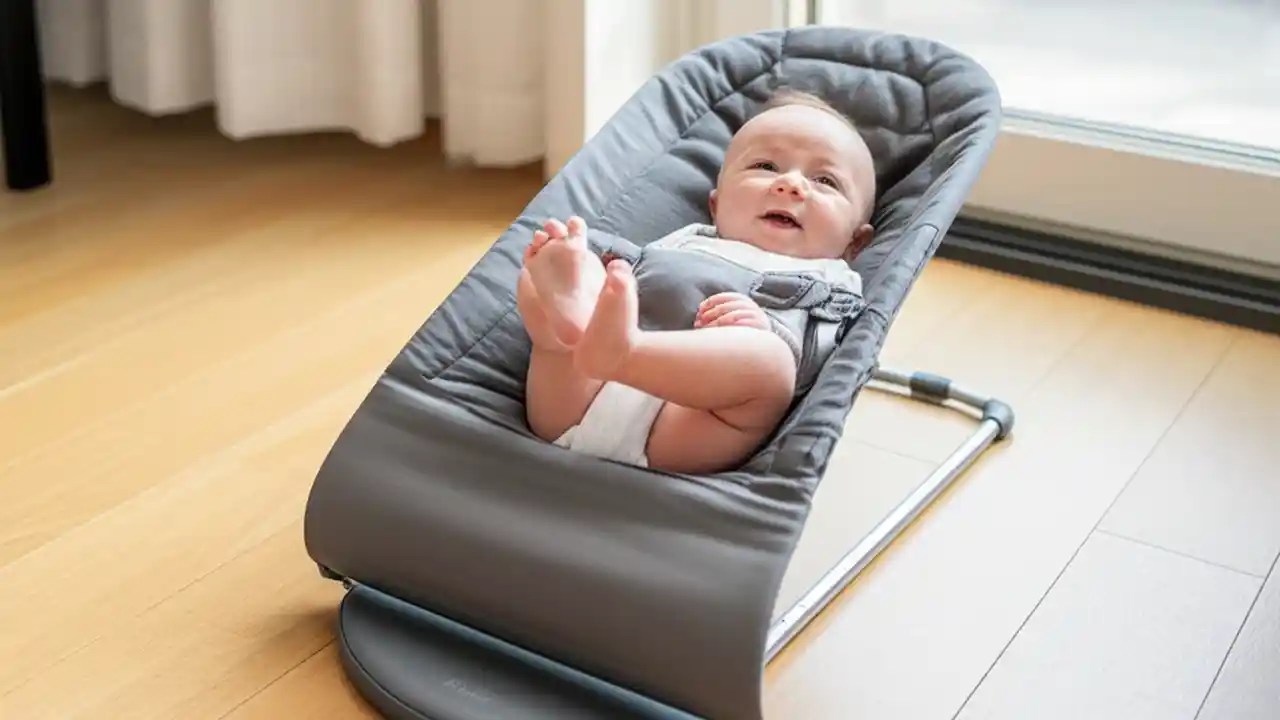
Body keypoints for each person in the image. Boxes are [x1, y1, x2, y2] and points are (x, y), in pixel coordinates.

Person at [516, 89, 877, 474]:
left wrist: (760, 328)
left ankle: (624, 351)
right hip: (577, 395)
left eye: (824, 180)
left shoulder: (832, 275)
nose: (790, 185)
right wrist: (595, 282)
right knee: (570, 267)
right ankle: (567, 328)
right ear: (716, 205)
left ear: (854, 242)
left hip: (686, 428)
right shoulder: (689, 239)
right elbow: (628, 280)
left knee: (771, 367)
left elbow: (818, 355)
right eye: (765, 167)